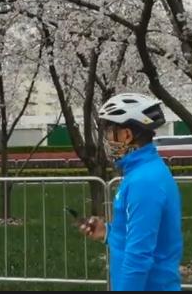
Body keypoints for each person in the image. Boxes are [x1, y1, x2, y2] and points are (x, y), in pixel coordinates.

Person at [79, 93, 182, 291]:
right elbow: (136, 234)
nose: (107, 140)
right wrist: (107, 231)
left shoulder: (145, 182)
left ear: (126, 135)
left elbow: (139, 256)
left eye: (110, 132)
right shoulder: (142, 173)